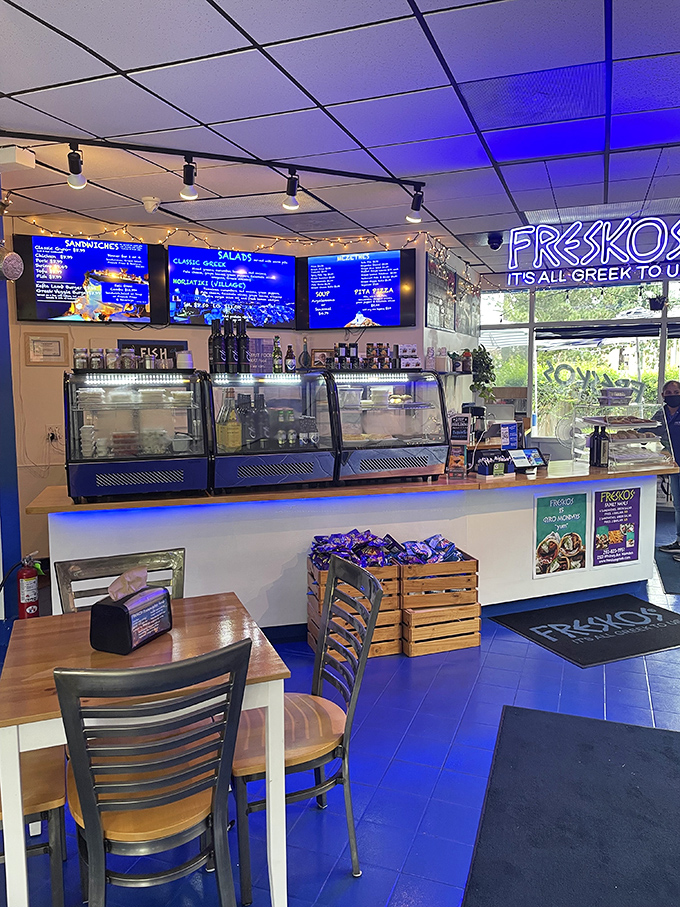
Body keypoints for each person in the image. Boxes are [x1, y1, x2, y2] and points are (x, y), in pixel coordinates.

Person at [656, 379, 680, 553]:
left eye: (676, 392)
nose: (672, 396)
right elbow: (646, 429)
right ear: (663, 396)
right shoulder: (661, 413)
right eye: (669, 393)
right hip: (673, 464)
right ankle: (678, 541)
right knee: (678, 505)